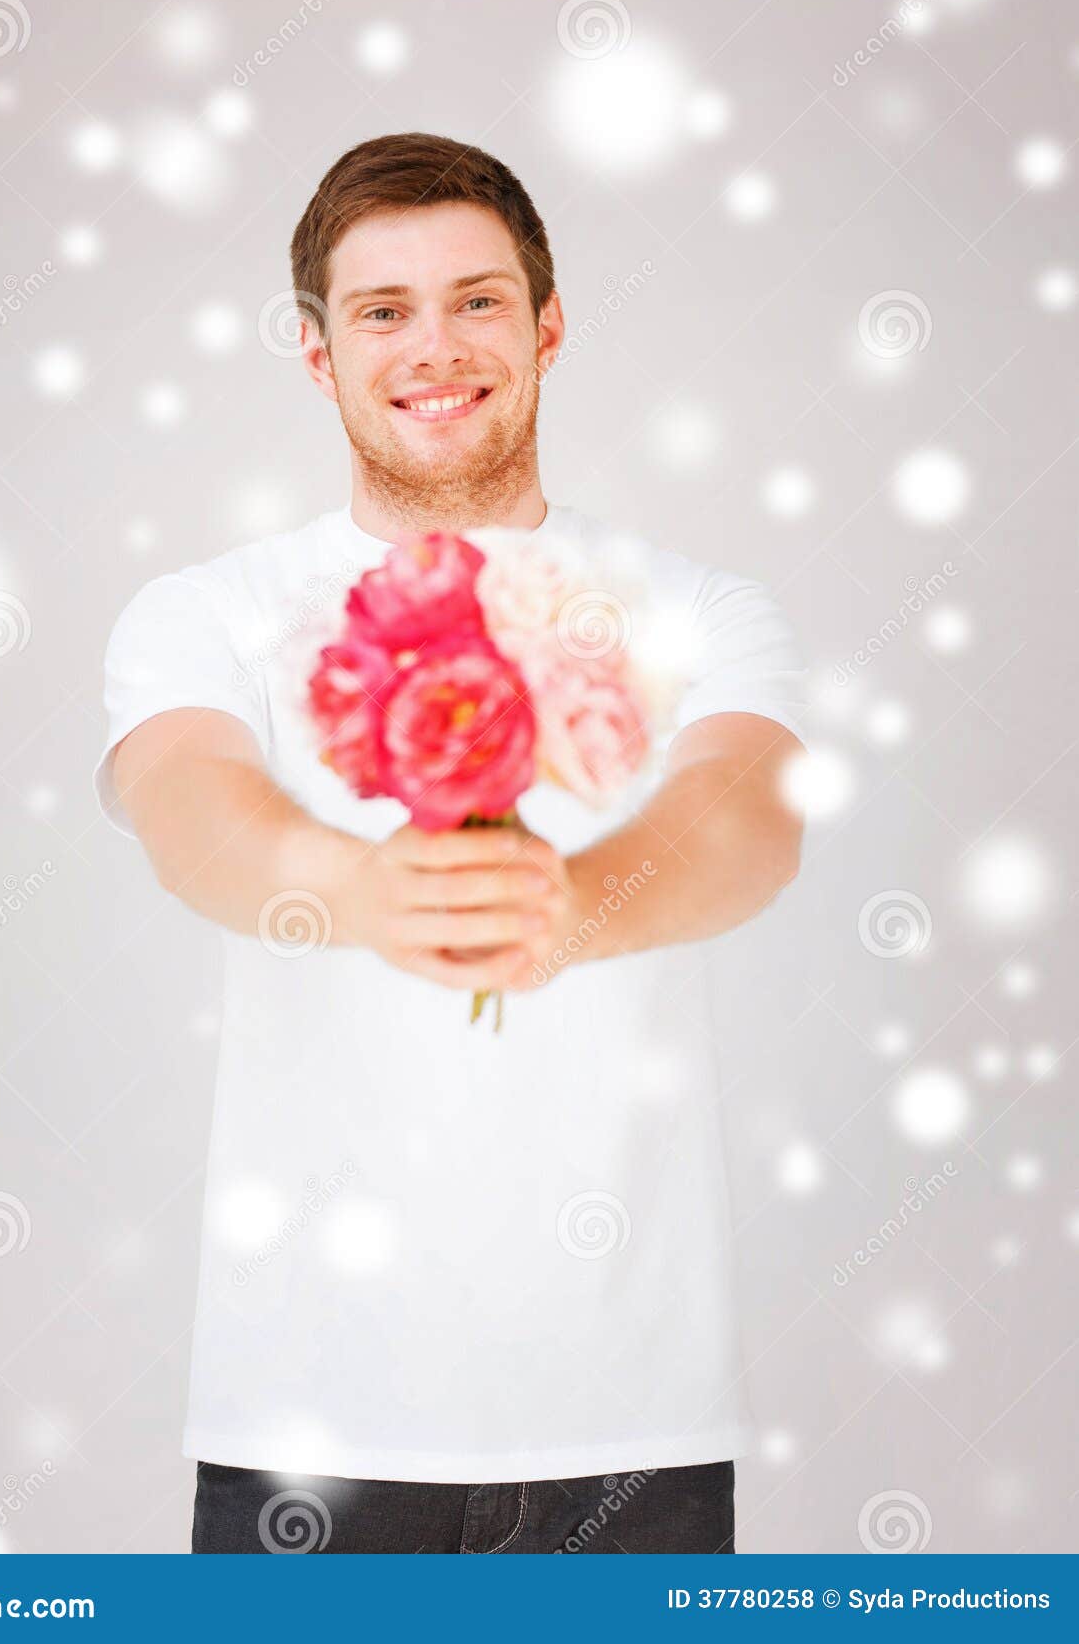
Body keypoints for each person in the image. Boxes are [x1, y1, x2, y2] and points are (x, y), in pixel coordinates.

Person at [94, 132, 807, 1554]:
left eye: (479, 300)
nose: (437, 346)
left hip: (634, 1429)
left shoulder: (700, 609)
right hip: (308, 1429)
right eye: (382, 311)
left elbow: (749, 815)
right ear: (316, 353)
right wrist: (358, 887)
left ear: (546, 326)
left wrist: (573, 904)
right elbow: (185, 804)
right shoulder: (207, 612)